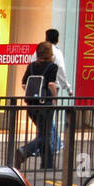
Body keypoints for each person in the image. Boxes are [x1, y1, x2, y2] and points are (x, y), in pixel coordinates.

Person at [15, 41, 59, 169]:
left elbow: (24, 84)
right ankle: (25, 151)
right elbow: (51, 84)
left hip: (31, 106)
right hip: (45, 105)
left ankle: (47, 165)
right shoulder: (52, 67)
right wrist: (55, 99)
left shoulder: (32, 66)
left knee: (43, 134)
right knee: (45, 136)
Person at [44, 28, 71, 156]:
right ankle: (54, 143)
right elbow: (61, 72)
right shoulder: (57, 53)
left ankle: (52, 142)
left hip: (40, 87)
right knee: (48, 116)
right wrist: (68, 88)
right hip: (53, 87)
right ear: (57, 39)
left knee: (45, 117)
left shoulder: (40, 50)